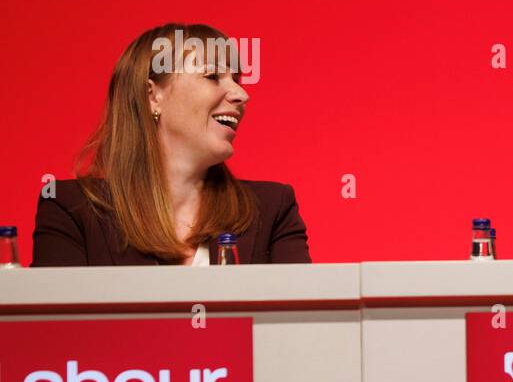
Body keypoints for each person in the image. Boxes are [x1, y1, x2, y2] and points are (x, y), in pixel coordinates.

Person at [33, 23, 310, 265]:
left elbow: (300, 321)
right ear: (153, 97)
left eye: (236, 79)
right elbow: (58, 325)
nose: (241, 94)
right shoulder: (70, 210)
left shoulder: (273, 209)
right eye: (213, 76)